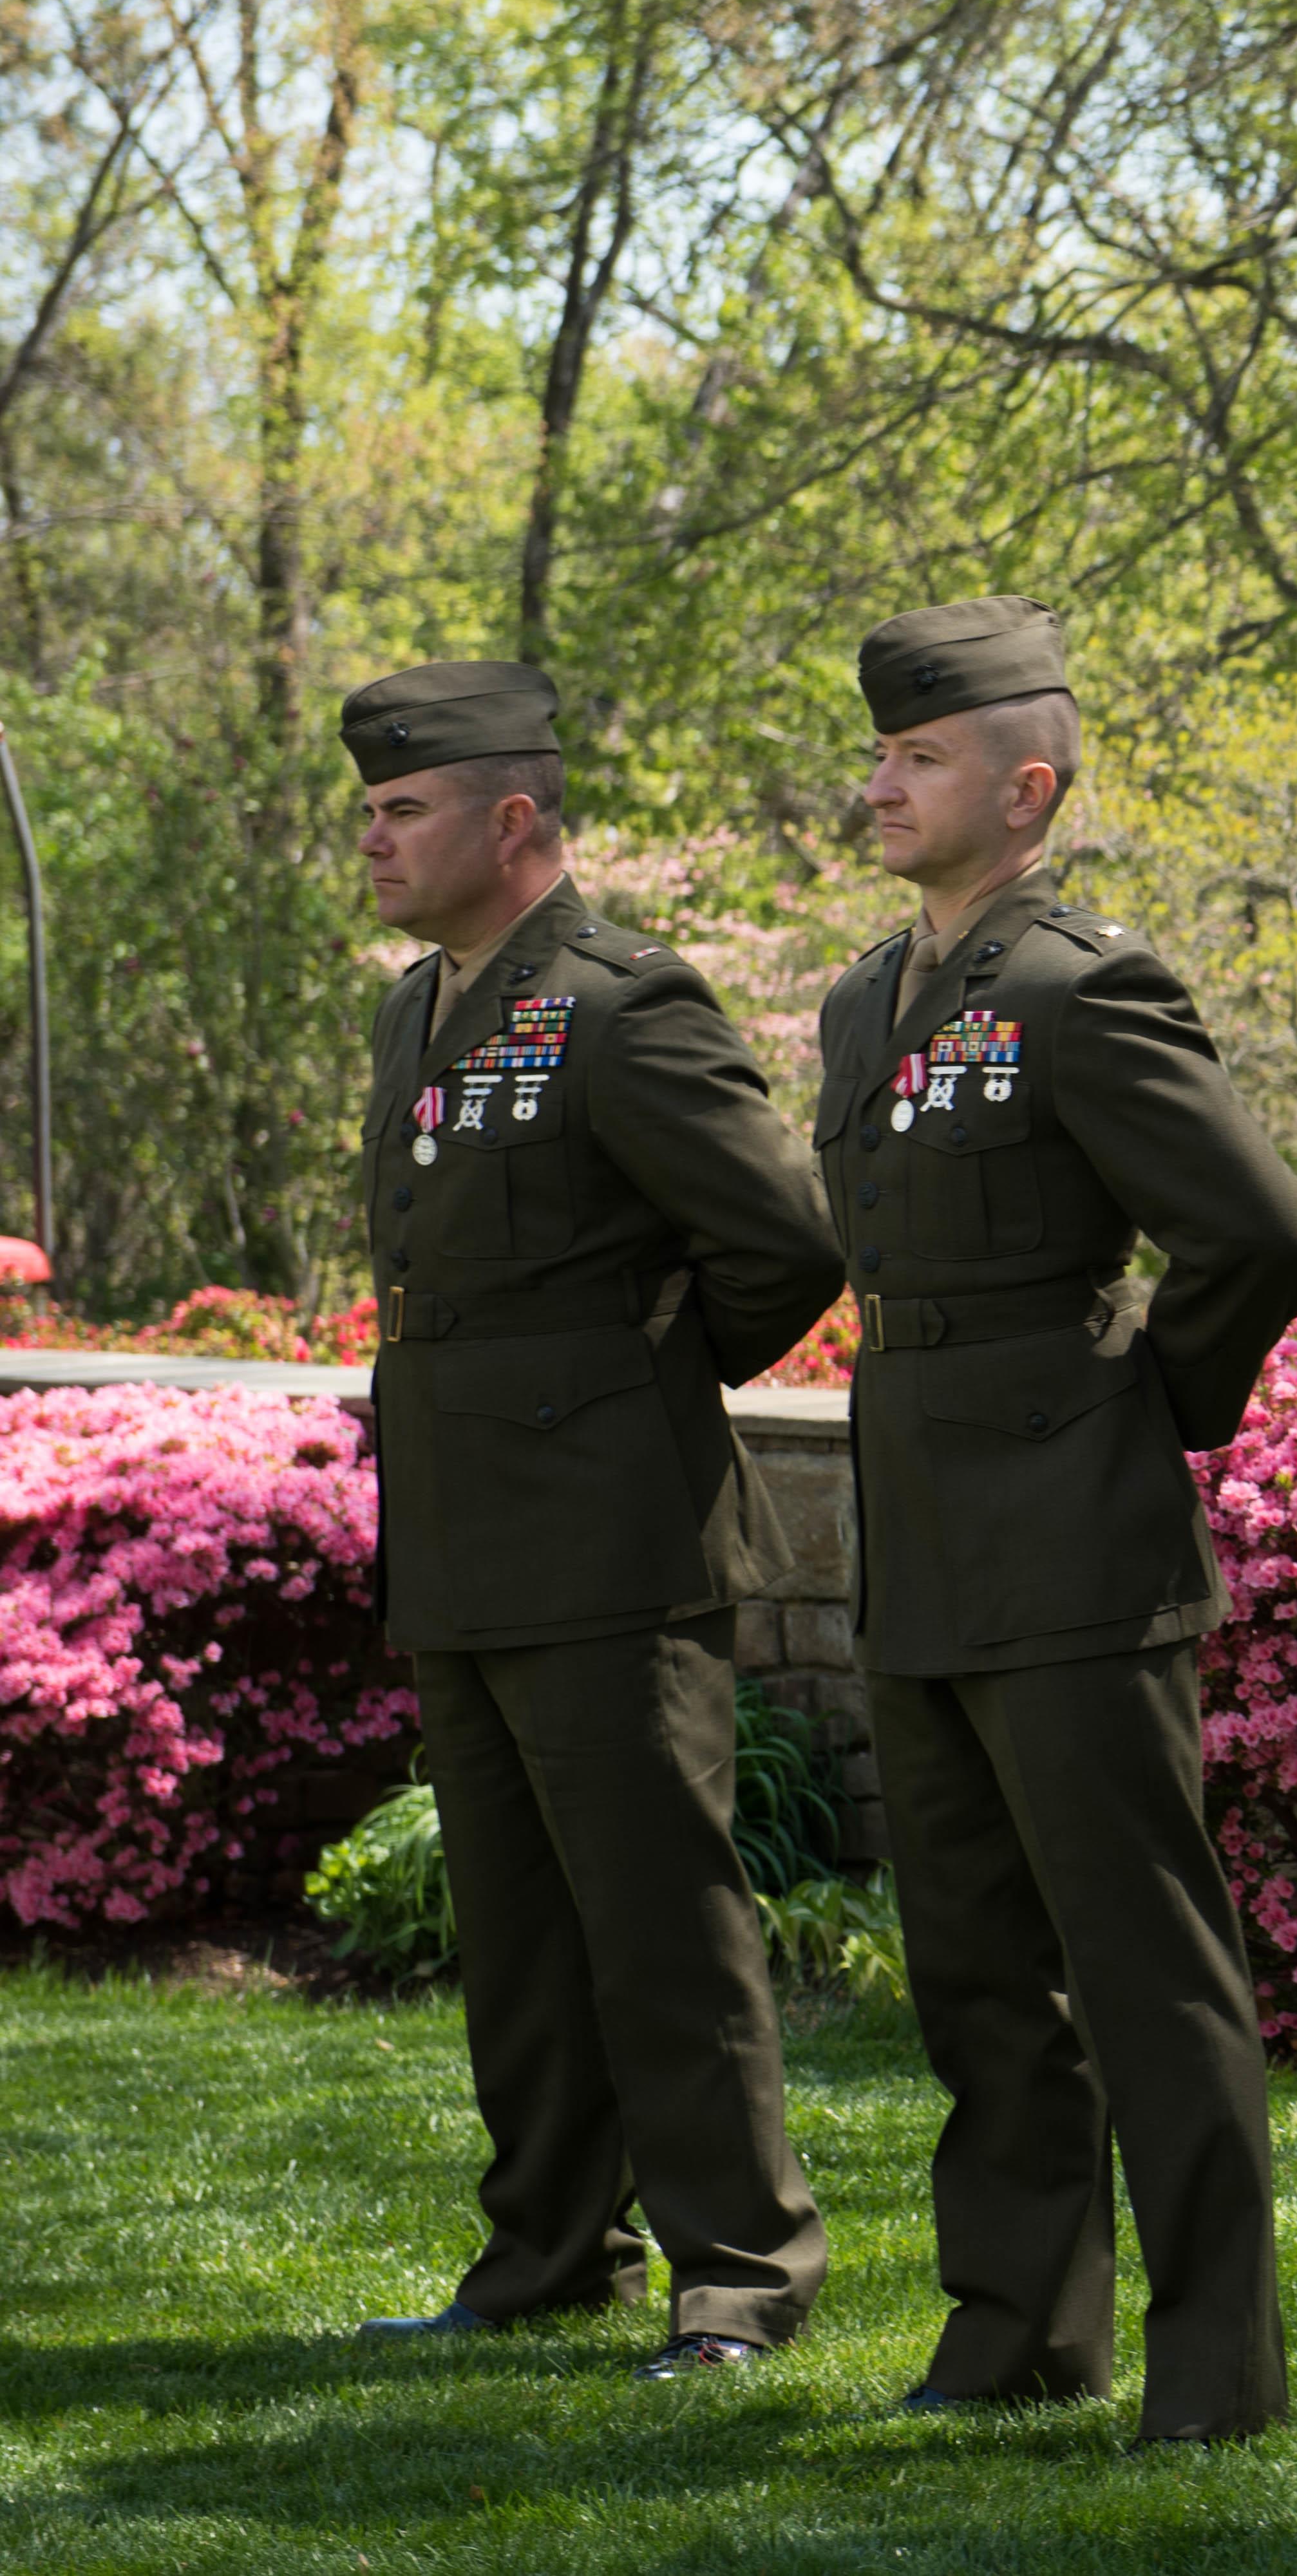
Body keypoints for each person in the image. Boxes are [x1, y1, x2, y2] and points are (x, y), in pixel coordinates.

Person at [808, 597, 1297, 2443]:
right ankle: (1017, 2326)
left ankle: (1216, 2365)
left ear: (1024, 787)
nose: (881, 780)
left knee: (1146, 1965)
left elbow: (1252, 1232)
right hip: (926, 1529)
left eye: (918, 755)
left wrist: (1136, 1412)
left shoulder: (1084, 986)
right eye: (878, 752)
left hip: (1075, 1531)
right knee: (975, 1968)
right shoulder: (869, 995)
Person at [339, 659, 843, 2380]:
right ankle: (550, 2247)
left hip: (612, 1530)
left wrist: (626, 1384)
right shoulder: (420, 1009)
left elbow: (781, 1237)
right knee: (519, 1928)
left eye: (405, 806)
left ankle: (743, 2271)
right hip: (468, 1531)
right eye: (372, 805)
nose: (375, 834)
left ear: (513, 817)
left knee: (659, 1918)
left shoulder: (626, 1004)